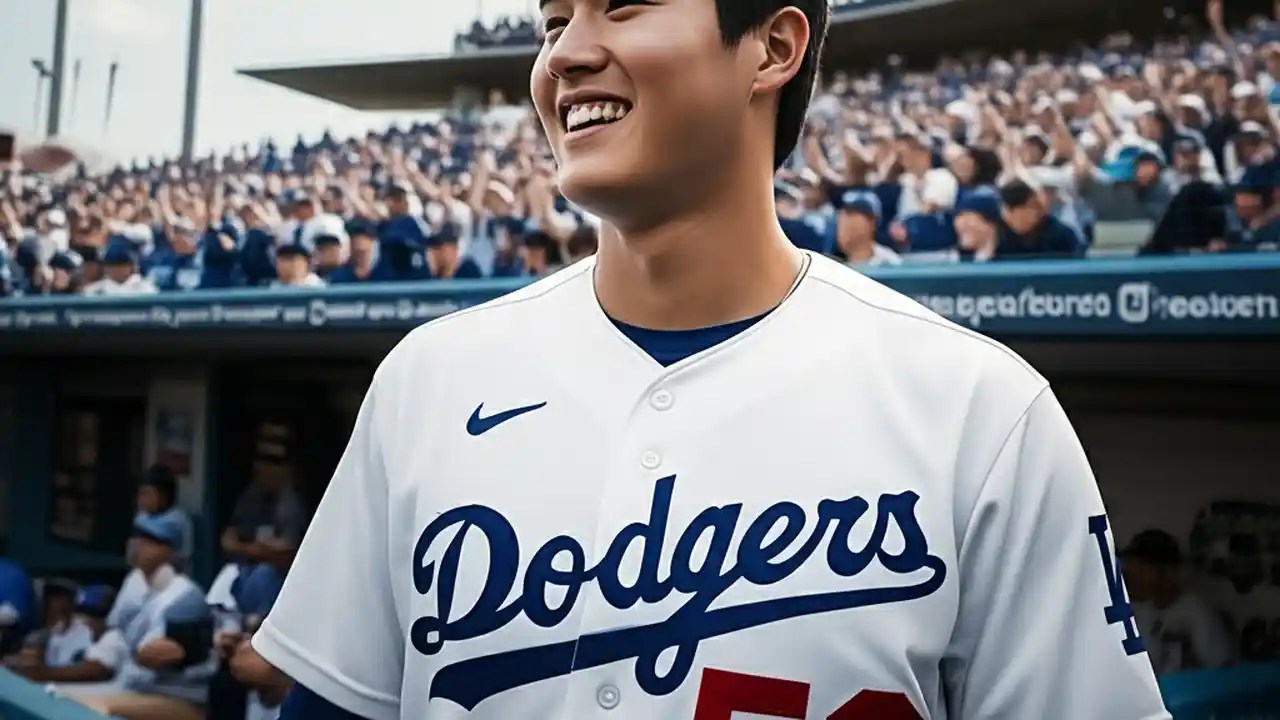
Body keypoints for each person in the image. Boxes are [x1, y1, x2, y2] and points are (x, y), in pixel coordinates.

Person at [256, 1, 1169, 717]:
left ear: (773, 47)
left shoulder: (981, 408)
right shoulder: (429, 378)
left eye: (626, 5)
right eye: (552, 21)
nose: (566, 52)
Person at [54, 515, 216, 720]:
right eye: (140, 538)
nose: (140, 546)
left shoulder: (187, 597)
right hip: (136, 690)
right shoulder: (137, 583)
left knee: (92, 707)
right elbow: (115, 635)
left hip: (178, 700)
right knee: (57, 696)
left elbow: (149, 658)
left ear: (172, 552)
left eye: (152, 541)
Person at [1121, 529, 1236, 675]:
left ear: (1169, 571)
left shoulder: (1197, 613)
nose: (1134, 577)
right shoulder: (1140, 613)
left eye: (1142, 569)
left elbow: (1222, 671)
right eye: (1133, 569)